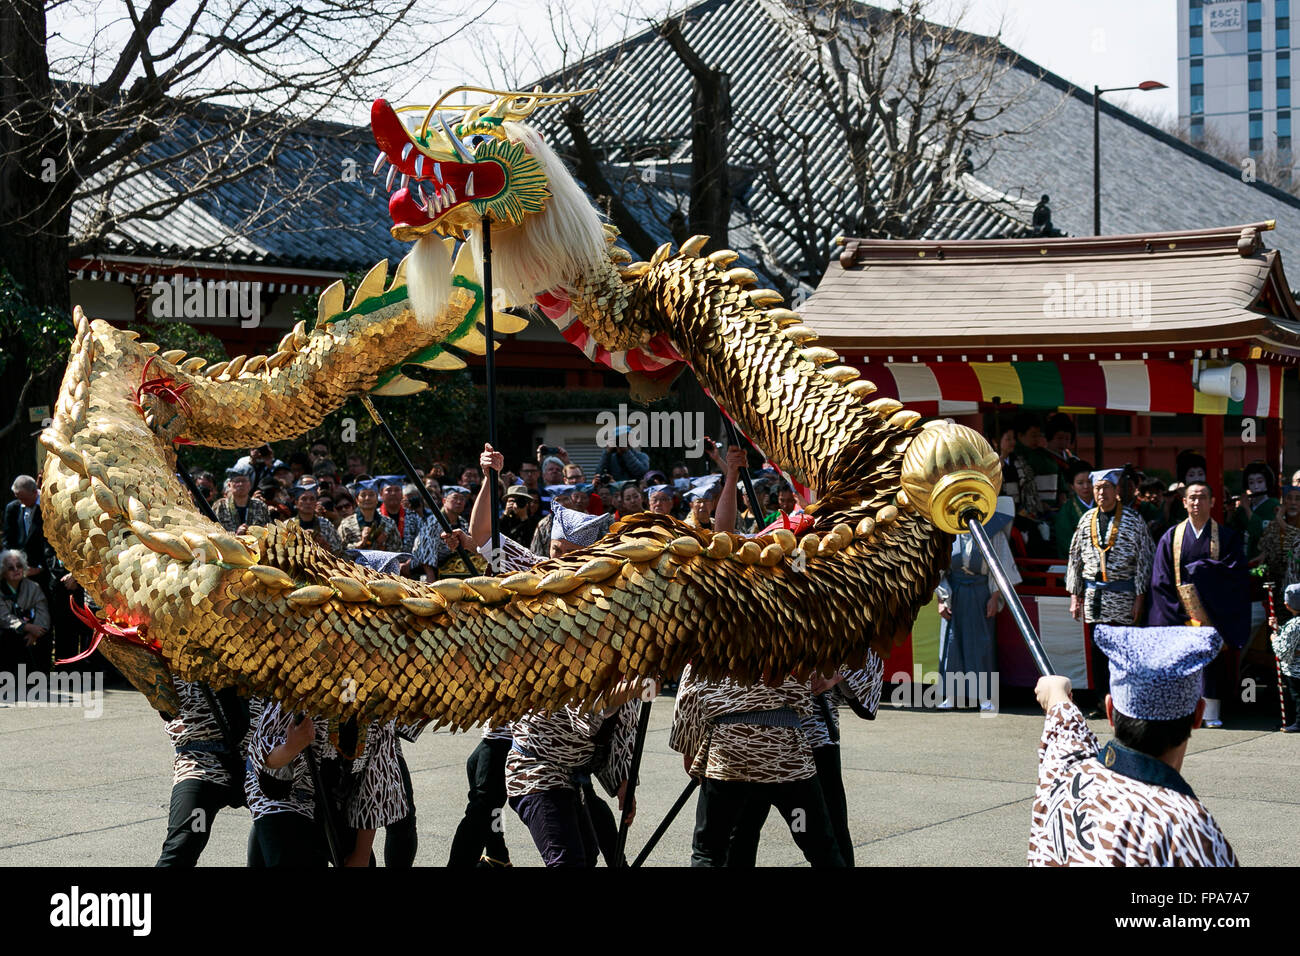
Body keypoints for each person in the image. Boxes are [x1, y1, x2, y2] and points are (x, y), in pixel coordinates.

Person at [1028, 626, 1238, 866]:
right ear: (1199, 714)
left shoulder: (1064, 771)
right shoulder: (1184, 826)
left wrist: (1056, 692)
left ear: (1109, 710)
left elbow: (1064, 725)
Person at [246, 703, 410, 867]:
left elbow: (376, 779)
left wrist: (362, 855)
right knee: (292, 857)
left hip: (335, 801)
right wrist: (290, 748)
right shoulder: (303, 691)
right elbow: (260, 756)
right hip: (284, 796)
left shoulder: (380, 705)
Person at [1148, 481, 1249, 729]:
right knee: (1179, 660)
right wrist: (1179, 612)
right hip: (1178, 610)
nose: (1196, 502)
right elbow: (1160, 579)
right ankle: (1179, 712)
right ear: (1183, 502)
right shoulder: (1170, 537)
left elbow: (1235, 574)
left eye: (1202, 497)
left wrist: (1200, 573)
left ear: (1213, 502)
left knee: (1211, 661)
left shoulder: (1226, 537)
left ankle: (1211, 711)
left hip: (1213, 612)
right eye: (1191, 498)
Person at [1066, 469, 1155, 716]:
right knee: (1098, 652)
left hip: (1124, 596)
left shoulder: (1133, 520)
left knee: (1123, 650)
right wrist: (1075, 595)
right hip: (1095, 598)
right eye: (1097, 488)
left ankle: (1124, 701)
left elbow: (1145, 559)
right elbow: (1075, 559)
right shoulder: (1086, 520)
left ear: (1117, 491)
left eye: (1106, 487)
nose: (1101, 492)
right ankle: (1100, 701)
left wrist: (1139, 596)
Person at [935, 496, 1020, 711]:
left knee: (980, 644)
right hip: (954, 592)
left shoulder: (992, 530)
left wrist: (995, 596)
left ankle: (985, 697)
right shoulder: (947, 530)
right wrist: (941, 598)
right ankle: (952, 696)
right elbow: (938, 567)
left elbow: (1000, 566)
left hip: (981, 592)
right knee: (952, 643)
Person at [155, 680, 249, 866]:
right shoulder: (169, 659)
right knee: (182, 848)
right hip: (201, 763)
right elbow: (165, 708)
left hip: (259, 763)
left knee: (288, 842)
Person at [1, 549, 50, 679]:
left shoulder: (33, 587)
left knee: (45, 634)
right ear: (3, 571)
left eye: (19, 566)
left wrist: (35, 631)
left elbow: (42, 612)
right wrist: (27, 627)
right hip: (8, 631)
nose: (16, 569)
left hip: (31, 633)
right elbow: (3, 616)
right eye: (11, 568)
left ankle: (38, 673)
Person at [4, 475, 50, 586]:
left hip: (44, 571)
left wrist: (40, 567)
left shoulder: (48, 507)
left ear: (35, 493)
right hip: (20, 571)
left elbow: (50, 543)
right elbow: (9, 540)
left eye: (24, 498)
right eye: (18, 498)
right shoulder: (13, 508)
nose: (21, 502)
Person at [1260, 485, 1300, 608]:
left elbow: (1296, 536)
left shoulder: (1279, 521)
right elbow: (1265, 546)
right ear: (1284, 502)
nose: (1293, 503)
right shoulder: (1274, 525)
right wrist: (1263, 555)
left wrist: (1279, 519)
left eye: (1297, 499)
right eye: (1289, 498)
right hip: (1278, 586)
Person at [1232, 461, 1279, 560]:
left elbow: (1261, 532)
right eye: (1251, 482)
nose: (1256, 486)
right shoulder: (1244, 507)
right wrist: (1230, 512)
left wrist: (1247, 509)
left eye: (1260, 481)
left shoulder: (1274, 505)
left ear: (1267, 482)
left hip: (1263, 559)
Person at [338, 479, 398, 552]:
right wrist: (359, 545)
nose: (367, 498)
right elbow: (339, 550)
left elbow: (398, 550)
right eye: (363, 495)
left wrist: (382, 544)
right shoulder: (346, 524)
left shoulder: (389, 523)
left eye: (371, 495)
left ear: (377, 499)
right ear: (357, 500)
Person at [1272, 583, 1300, 732]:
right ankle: (1290, 721)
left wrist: (1274, 639)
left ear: (1288, 605)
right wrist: (1279, 629)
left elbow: (1283, 650)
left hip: (1296, 669)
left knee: (1295, 697)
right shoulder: (1293, 625)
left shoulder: (1295, 625)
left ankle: (1297, 723)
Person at [378, 474, 422, 569]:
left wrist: (409, 563)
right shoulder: (376, 516)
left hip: (409, 566)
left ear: (402, 493)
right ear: (381, 494)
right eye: (388, 490)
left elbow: (421, 541)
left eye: (397, 490)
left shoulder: (413, 516)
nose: (393, 493)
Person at [285, 486, 343, 554]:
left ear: (316, 502)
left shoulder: (325, 524)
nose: (308, 502)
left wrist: (326, 547)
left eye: (312, 499)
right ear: (296, 503)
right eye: (304, 499)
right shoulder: (287, 525)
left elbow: (338, 549)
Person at [1054, 460, 1094, 559]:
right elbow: (1066, 542)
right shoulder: (1066, 510)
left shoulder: (1103, 505)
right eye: (1080, 483)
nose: (1086, 486)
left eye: (1089, 482)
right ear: (1072, 486)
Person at [212, 468, 270, 534]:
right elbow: (213, 531)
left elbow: (268, 530)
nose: (241, 484)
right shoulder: (220, 506)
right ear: (229, 485)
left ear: (250, 485)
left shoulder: (260, 505)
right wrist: (235, 533)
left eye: (244, 481)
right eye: (237, 481)